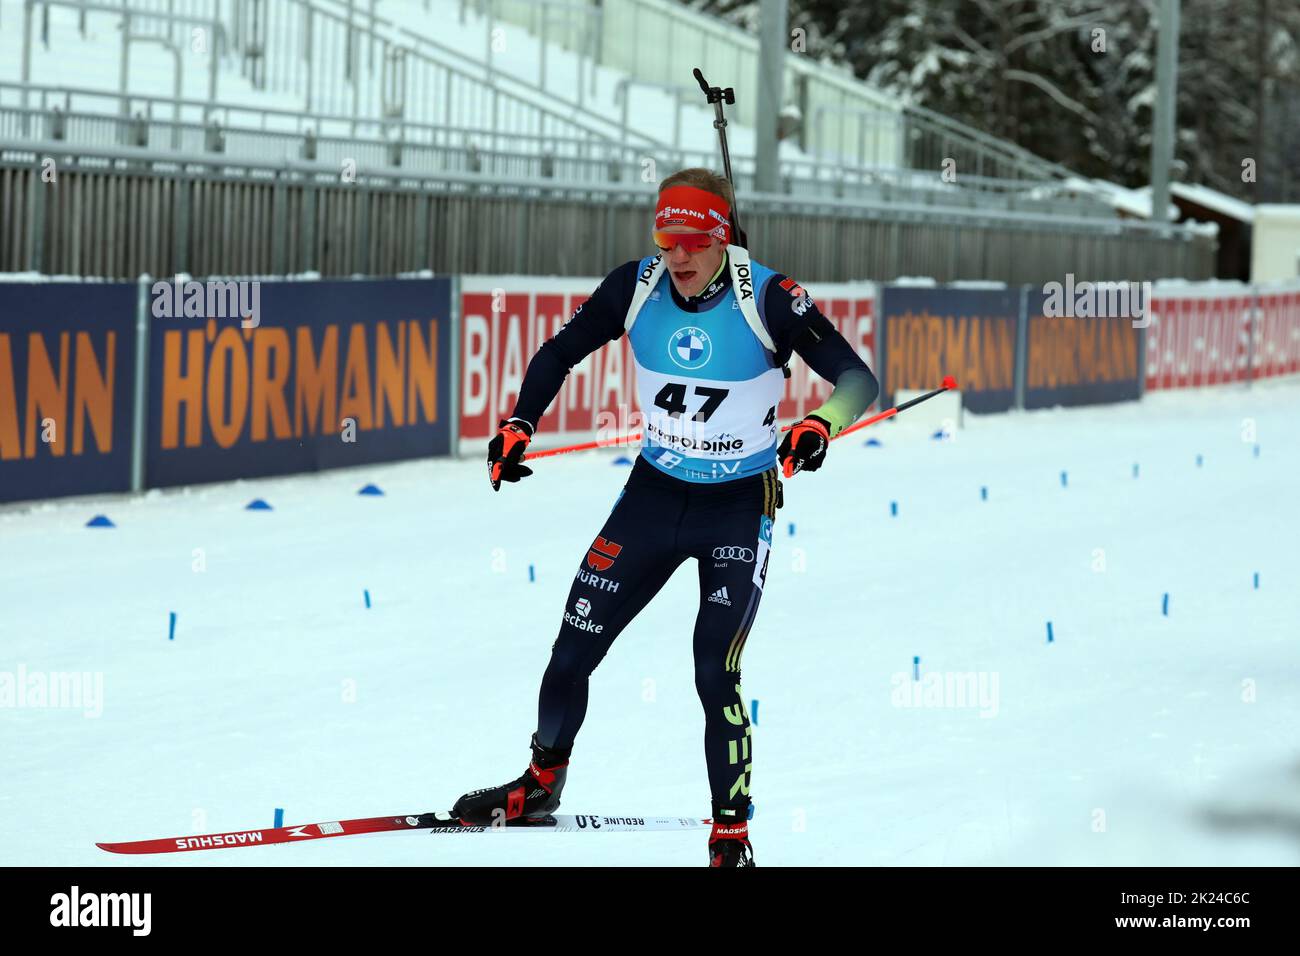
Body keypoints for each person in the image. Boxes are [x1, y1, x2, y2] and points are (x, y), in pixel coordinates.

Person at [447, 168, 879, 866]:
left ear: (721, 237)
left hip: (738, 508)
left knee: (714, 669)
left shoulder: (768, 296)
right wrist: (519, 422)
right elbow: (560, 352)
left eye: (692, 242)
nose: (676, 257)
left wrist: (820, 425)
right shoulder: (636, 284)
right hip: (654, 497)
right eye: (665, 238)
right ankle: (541, 781)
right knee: (573, 645)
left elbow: (858, 378)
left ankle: (730, 834)